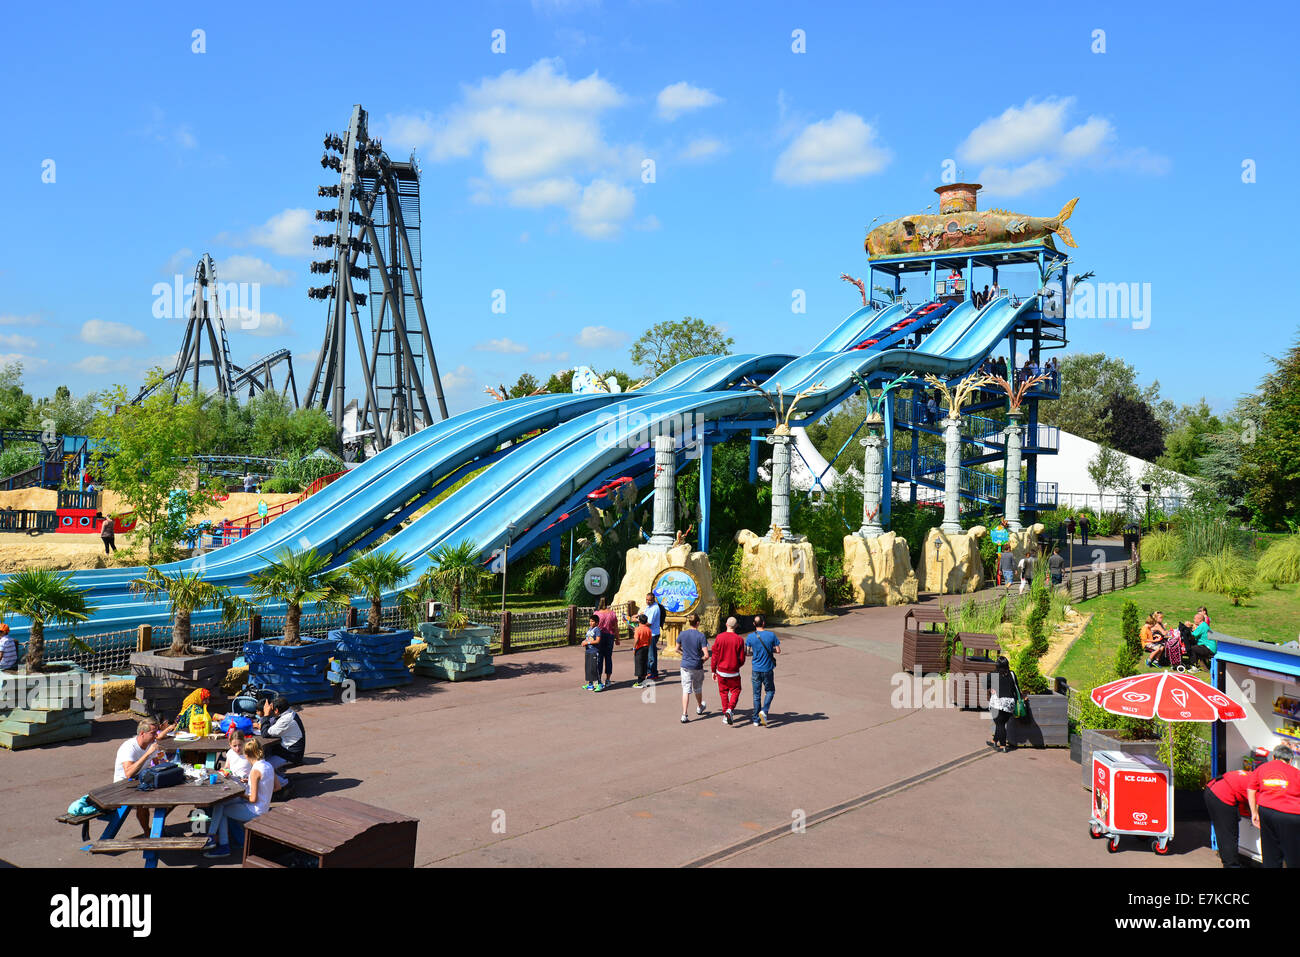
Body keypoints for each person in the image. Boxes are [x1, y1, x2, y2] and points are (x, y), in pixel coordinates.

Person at [204, 737, 275, 858]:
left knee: (221, 809)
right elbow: (276, 786)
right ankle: (214, 838)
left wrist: (239, 792)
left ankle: (222, 845)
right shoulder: (268, 765)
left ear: (248, 755)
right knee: (221, 805)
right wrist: (254, 783)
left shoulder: (255, 770)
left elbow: (253, 799)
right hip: (264, 805)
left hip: (255, 810)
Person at [114, 718, 176, 832]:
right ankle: (148, 832)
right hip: (124, 784)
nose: (156, 736)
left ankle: (156, 825)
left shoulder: (151, 743)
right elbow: (128, 774)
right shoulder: (129, 747)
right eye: (153, 733)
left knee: (174, 793)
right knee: (142, 802)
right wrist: (148, 754)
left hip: (142, 779)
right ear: (142, 733)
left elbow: (159, 763)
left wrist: (168, 767)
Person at [1247, 745, 1300, 868]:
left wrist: (1254, 812)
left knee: (1270, 853)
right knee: (1294, 854)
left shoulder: (1262, 768)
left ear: (1273, 757)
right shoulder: (1296, 773)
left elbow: (1251, 789)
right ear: (1290, 760)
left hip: (1266, 812)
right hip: (1291, 815)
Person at [1204, 766, 1254, 867]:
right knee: (1229, 836)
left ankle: (1229, 862)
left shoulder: (1250, 775)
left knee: (1224, 834)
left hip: (1212, 789)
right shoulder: (1256, 785)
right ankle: (1231, 865)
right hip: (1222, 796)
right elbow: (1255, 805)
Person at [259, 695, 304, 793]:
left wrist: (266, 715)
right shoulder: (289, 713)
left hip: (291, 754)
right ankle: (280, 776)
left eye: (271, 709)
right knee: (265, 756)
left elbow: (265, 733)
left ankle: (285, 784)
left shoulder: (286, 720)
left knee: (264, 767)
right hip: (286, 749)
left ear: (276, 710)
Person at [745, 614, 781, 727]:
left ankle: (756, 719)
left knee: (756, 695)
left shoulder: (750, 637)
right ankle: (764, 710)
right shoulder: (771, 635)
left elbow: (747, 653)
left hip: (756, 668)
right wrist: (771, 650)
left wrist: (754, 653)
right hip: (768, 668)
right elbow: (778, 650)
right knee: (770, 691)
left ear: (754, 624)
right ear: (764, 623)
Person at [711, 617, 746, 726]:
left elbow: (714, 656)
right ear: (736, 626)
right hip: (734, 671)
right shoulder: (739, 640)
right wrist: (736, 665)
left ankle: (726, 712)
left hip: (721, 670)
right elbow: (742, 658)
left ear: (726, 624)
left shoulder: (719, 637)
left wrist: (713, 670)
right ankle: (730, 709)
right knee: (736, 690)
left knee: (723, 692)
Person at [678, 614, 710, 723]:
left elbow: (677, 649)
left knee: (686, 690)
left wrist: (685, 654)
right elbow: (706, 655)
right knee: (698, 688)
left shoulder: (682, 634)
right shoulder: (701, 636)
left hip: (685, 665)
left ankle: (684, 714)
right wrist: (700, 660)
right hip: (697, 666)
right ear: (697, 623)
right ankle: (700, 706)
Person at [986, 656, 1021, 752]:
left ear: (997, 665)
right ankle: (994, 740)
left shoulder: (994, 675)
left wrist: (991, 688)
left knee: (1000, 724)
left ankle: (1003, 745)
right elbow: (1016, 687)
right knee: (1000, 723)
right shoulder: (1012, 674)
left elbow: (984, 684)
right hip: (1010, 704)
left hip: (998, 703)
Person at [596, 604, 620, 688]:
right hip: (610, 637)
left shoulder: (597, 613)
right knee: (608, 658)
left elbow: (593, 627)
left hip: (600, 637)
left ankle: (598, 680)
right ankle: (608, 679)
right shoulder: (612, 614)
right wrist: (617, 639)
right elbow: (616, 627)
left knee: (599, 658)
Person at [643, 591, 665, 681]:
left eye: (649, 600)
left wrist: (638, 623)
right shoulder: (649, 607)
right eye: (646, 600)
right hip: (649, 633)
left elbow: (649, 623)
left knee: (651, 655)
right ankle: (649, 671)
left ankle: (653, 673)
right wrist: (638, 616)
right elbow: (645, 615)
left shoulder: (655, 608)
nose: (647, 601)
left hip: (653, 634)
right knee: (648, 654)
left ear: (653, 600)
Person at [581, 612, 603, 691]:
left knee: (595, 668)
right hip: (588, 651)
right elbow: (588, 638)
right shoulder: (589, 629)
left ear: (597, 623)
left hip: (594, 651)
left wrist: (588, 642)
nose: (591, 623)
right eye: (590, 621)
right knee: (589, 668)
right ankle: (590, 684)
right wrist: (584, 641)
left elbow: (597, 641)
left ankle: (599, 684)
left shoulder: (597, 630)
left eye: (593, 621)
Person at [631, 614, 652, 688]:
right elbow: (650, 640)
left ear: (639, 621)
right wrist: (648, 645)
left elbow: (636, 640)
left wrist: (634, 648)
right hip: (646, 647)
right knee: (644, 663)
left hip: (639, 648)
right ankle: (644, 680)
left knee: (639, 664)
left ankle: (639, 682)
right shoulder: (648, 629)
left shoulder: (638, 629)